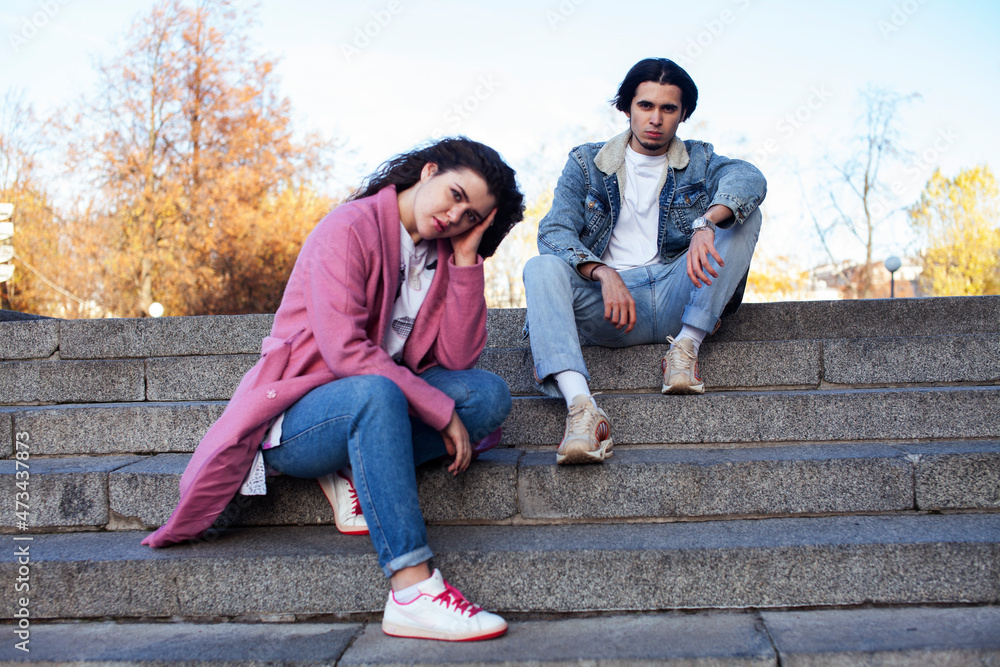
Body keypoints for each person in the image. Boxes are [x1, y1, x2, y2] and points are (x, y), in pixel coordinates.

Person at [141, 137, 525, 642]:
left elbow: (457, 359)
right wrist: (436, 409)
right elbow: (345, 351)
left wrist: (467, 260)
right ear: (428, 171)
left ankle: (354, 465)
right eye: (454, 195)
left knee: (487, 396)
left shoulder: (438, 254)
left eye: (470, 214)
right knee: (377, 392)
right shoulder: (350, 228)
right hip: (303, 413)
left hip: (372, 402)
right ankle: (412, 589)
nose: (454, 215)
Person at [523, 58, 766, 465]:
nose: (656, 118)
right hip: (612, 308)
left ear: (682, 115)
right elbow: (554, 232)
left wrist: (706, 221)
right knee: (540, 266)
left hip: (679, 292)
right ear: (627, 108)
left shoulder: (701, 160)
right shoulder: (587, 163)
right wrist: (602, 272)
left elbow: (750, 179)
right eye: (646, 106)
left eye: (668, 109)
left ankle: (685, 348)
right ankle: (583, 411)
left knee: (743, 214)